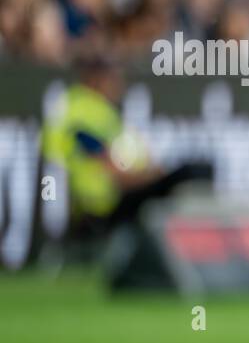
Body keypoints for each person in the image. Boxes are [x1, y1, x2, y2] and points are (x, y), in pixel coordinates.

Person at [40, 50, 213, 240]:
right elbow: (111, 167)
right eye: (114, 78)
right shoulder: (82, 113)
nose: (120, 84)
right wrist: (153, 175)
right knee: (191, 173)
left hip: (116, 194)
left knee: (195, 171)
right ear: (97, 78)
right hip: (102, 204)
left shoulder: (96, 109)